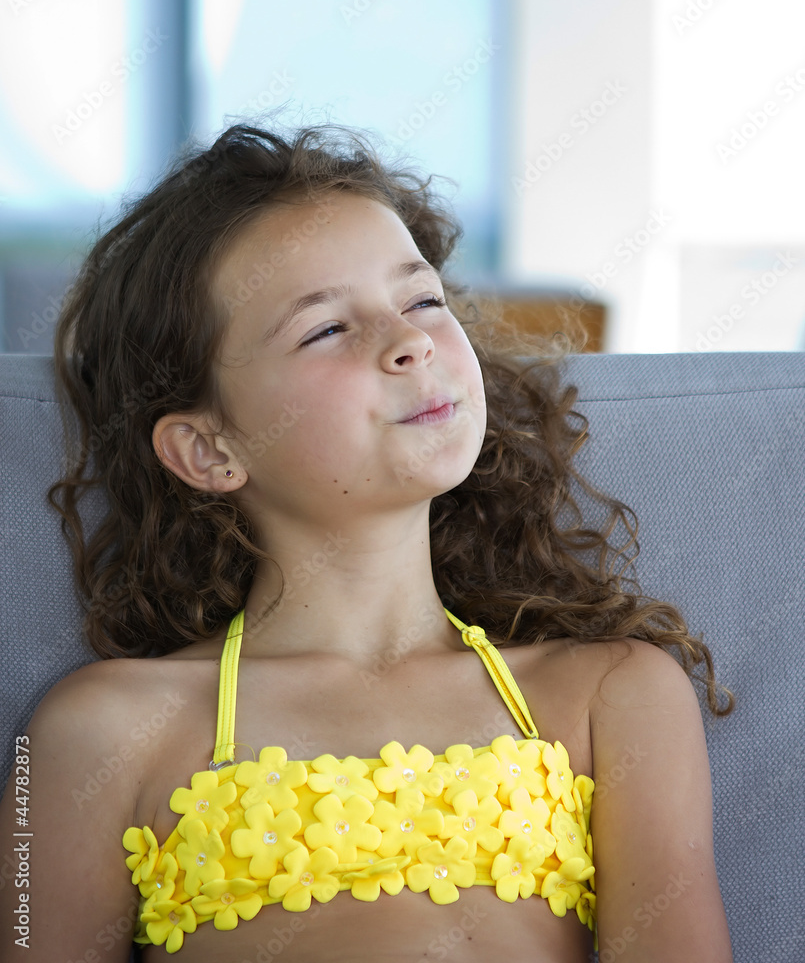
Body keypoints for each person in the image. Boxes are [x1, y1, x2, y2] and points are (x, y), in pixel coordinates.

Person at [0, 122, 734, 962]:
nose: (412, 341)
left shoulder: (613, 694)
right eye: (324, 329)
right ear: (210, 450)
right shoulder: (94, 732)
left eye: (422, 300)